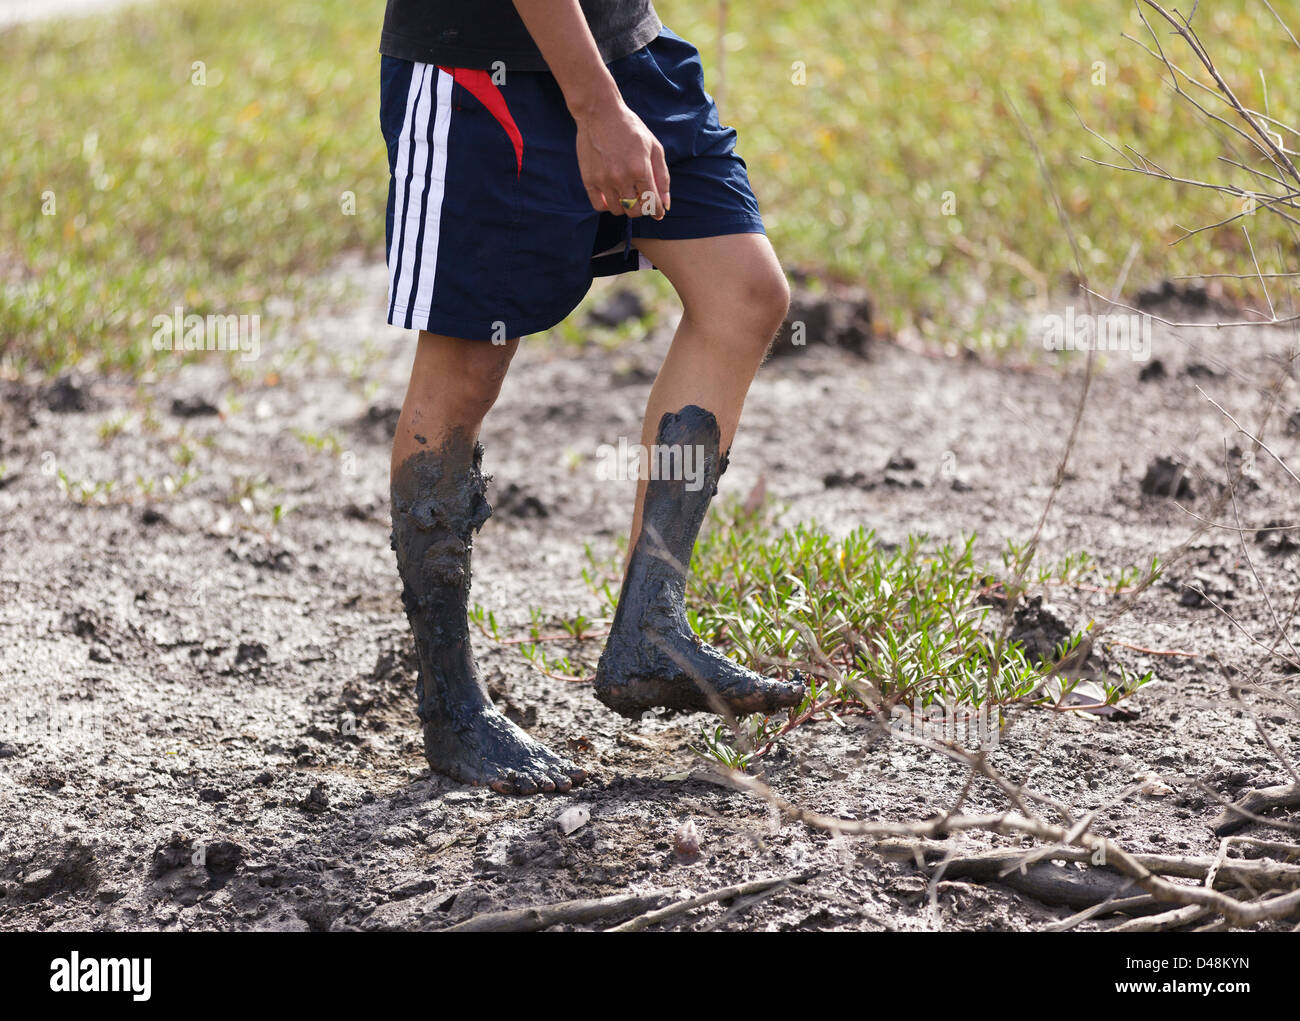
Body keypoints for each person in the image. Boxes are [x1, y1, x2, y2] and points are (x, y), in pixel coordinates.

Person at [379, 0, 804, 796]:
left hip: (621, 46)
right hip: (482, 65)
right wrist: (596, 108)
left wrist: (608, 92)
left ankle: (652, 627)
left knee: (743, 293)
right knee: (466, 374)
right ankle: (452, 710)